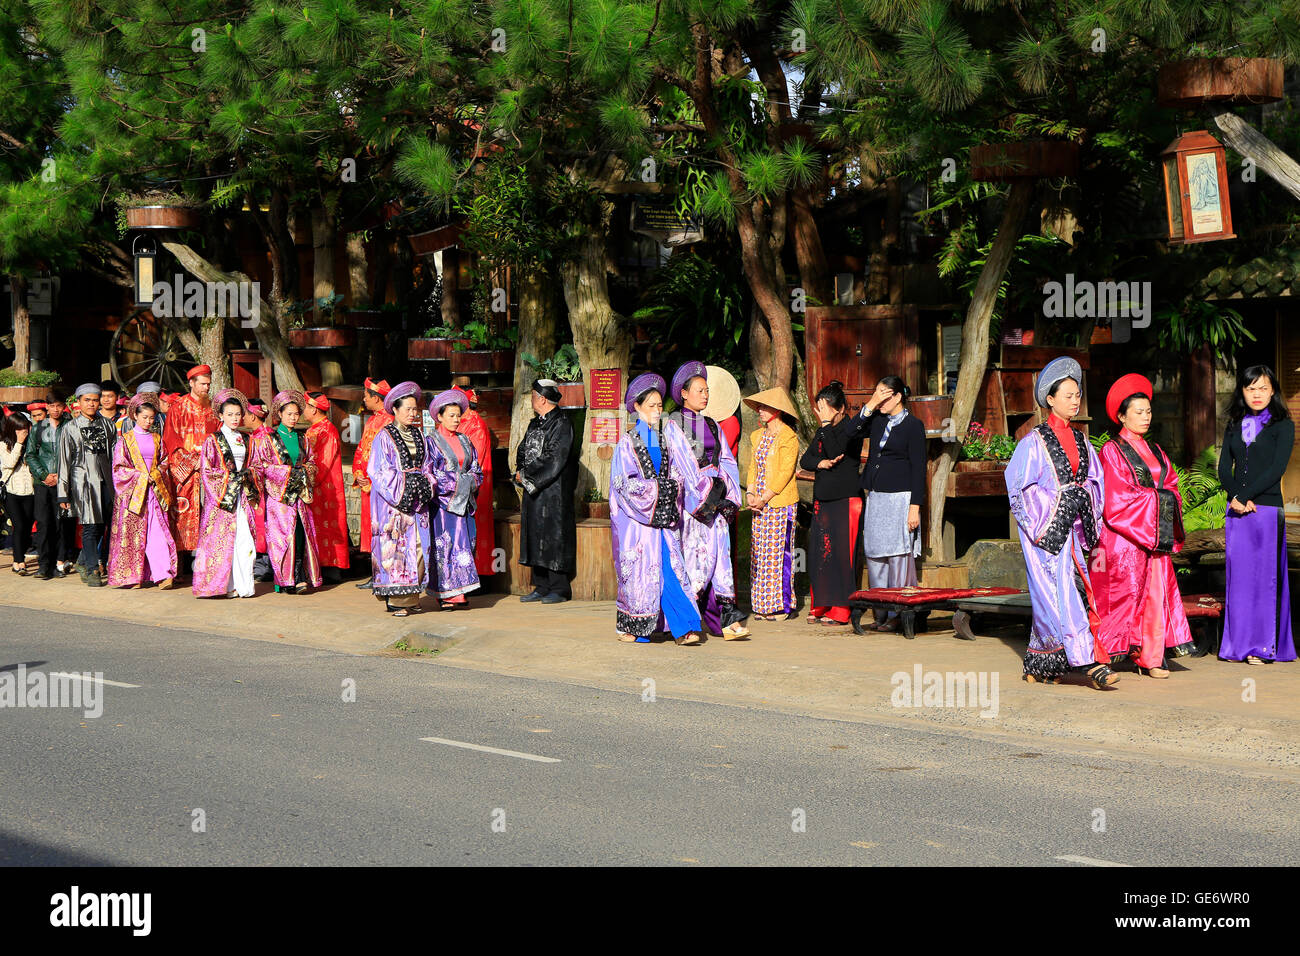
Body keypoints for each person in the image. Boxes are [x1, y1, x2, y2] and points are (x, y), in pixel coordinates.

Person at [1006, 357, 1118, 689]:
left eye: (1077, 394)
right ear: (1050, 399)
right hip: (1046, 534)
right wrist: (1059, 503)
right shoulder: (1033, 442)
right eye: (1068, 395)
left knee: (1074, 593)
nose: (1075, 400)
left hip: (1075, 530)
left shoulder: (1083, 441)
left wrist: (1083, 498)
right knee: (1059, 596)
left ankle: (1043, 661)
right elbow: (1020, 489)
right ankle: (1090, 662)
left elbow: (1096, 481)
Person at [1092, 375, 1193, 678]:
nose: (1145, 416)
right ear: (1121, 416)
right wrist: (1160, 501)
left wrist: (1164, 499)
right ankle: (1107, 651)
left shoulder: (1157, 450)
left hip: (1153, 536)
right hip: (1124, 539)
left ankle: (1152, 655)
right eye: (1138, 411)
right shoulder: (1112, 450)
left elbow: (1172, 484)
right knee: (1123, 597)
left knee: (1155, 595)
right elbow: (1117, 499)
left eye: (1148, 411)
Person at [610, 373, 707, 644]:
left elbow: (677, 474)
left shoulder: (665, 440)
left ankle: (683, 627)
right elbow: (623, 486)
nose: (656, 411)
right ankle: (640, 625)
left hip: (662, 521)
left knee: (670, 571)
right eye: (650, 405)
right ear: (637, 407)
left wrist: (670, 487)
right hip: (638, 525)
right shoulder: (626, 444)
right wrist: (660, 490)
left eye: (659, 406)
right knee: (643, 573)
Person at [1218, 364, 1296, 665]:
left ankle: (1264, 647)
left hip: (1265, 509)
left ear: (1273, 390)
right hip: (1237, 511)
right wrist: (1237, 497)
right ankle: (1237, 645)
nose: (1257, 394)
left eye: (1263, 388)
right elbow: (1225, 467)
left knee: (1265, 581)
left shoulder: (1282, 425)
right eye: (1251, 388)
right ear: (1243, 391)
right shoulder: (1234, 424)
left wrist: (1247, 496)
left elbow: (1277, 469)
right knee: (1239, 581)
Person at [667, 361, 748, 639]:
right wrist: (706, 494)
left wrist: (727, 494)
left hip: (716, 498)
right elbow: (680, 466)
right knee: (693, 562)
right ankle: (686, 622)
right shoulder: (673, 424)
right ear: (684, 394)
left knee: (719, 562)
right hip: (692, 506)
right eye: (700, 390)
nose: (705, 395)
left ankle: (725, 621)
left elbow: (726, 460)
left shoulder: (712, 425)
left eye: (707, 390)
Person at [856, 376, 926, 631]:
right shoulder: (876, 421)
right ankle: (880, 613)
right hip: (876, 496)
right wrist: (871, 405)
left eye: (884, 395)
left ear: (897, 396)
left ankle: (899, 615)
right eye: (877, 394)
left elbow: (919, 469)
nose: (880, 399)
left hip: (900, 498)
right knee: (875, 553)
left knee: (898, 555)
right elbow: (852, 430)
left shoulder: (913, 426)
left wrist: (914, 507)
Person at [801, 381, 866, 627]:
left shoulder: (851, 428)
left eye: (825, 409)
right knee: (821, 554)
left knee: (841, 555)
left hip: (845, 499)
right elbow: (807, 459)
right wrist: (822, 463)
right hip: (823, 500)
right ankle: (821, 604)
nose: (821, 414)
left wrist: (826, 426)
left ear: (839, 409)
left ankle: (841, 608)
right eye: (818, 409)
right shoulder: (822, 430)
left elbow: (837, 448)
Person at [369, 381, 436, 616]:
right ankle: (398, 600)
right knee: (396, 550)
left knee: (418, 546)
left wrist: (426, 481)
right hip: (394, 505)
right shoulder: (384, 436)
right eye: (407, 408)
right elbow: (378, 470)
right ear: (395, 410)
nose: (412, 413)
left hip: (417, 500)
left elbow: (428, 465)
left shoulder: (419, 435)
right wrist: (404, 485)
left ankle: (412, 596)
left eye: (415, 409)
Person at [252, 390, 322, 595]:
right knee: (282, 537)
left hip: (299, 495)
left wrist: (304, 472)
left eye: (296, 414)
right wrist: (289, 472)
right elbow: (261, 466)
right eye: (288, 413)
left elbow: (312, 463)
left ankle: (299, 577)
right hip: (280, 497)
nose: (293, 417)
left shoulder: (303, 438)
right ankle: (284, 580)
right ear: (279, 414)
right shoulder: (269, 438)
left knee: (300, 535)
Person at [513, 379, 577, 603]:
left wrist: (528, 474)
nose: (531, 399)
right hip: (534, 489)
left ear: (541, 398)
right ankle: (540, 585)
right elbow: (522, 449)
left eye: (533, 395)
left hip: (554, 491)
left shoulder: (562, 423)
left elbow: (554, 458)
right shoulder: (535, 423)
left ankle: (559, 588)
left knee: (553, 535)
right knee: (534, 534)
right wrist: (520, 471)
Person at [192, 390, 259, 598]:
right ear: (221, 415)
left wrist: (248, 476)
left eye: (238, 414)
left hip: (242, 497)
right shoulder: (213, 440)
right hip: (222, 499)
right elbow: (207, 471)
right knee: (221, 542)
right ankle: (221, 586)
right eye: (230, 414)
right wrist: (229, 480)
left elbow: (256, 465)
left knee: (244, 540)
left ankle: (243, 585)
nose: (234, 419)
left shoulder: (247, 439)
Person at [106, 395, 177, 589]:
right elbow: (119, 469)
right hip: (133, 496)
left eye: (152, 418)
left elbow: (164, 462)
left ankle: (163, 575)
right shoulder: (125, 440)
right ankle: (131, 577)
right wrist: (142, 476)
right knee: (132, 535)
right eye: (144, 417)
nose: (148, 421)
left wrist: (156, 473)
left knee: (157, 532)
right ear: (135, 416)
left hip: (153, 492)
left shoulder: (157, 438)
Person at [744, 386, 800, 621]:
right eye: (759, 407)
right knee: (760, 553)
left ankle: (781, 605)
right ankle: (760, 604)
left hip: (779, 502)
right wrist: (750, 494)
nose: (760, 411)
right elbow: (753, 467)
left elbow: (785, 472)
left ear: (778, 410)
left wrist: (764, 497)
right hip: (759, 503)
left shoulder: (788, 436)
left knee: (779, 554)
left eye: (765, 407)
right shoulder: (757, 436)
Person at [428, 389, 483, 607]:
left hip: (464, 503)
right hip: (442, 506)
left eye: (458, 415)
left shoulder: (465, 440)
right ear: (439, 417)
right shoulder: (431, 441)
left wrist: (467, 482)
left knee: (465, 545)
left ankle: (461, 590)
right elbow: (430, 472)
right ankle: (445, 594)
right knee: (445, 547)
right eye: (451, 415)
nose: (456, 419)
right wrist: (460, 482)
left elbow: (476, 470)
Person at [58, 383, 117, 587]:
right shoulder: (70, 428)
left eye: (95, 400)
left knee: (104, 526)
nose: (92, 404)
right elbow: (64, 461)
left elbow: (115, 456)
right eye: (87, 400)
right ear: (78, 402)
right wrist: (63, 493)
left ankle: (83, 561)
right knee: (91, 527)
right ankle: (93, 569)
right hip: (83, 483)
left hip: (106, 482)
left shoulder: (108, 425)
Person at [162, 364, 219, 568]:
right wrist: (192, 461)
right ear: (191, 383)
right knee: (181, 517)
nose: (206, 388)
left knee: (209, 517)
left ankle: (206, 564)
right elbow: (170, 440)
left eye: (208, 384)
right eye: (202, 384)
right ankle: (178, 568)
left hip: (209, 471)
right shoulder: (178, 408)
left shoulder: (214, 408)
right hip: (185, 474)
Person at [303, 391, 350, 582]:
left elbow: (323, 461)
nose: (303, 411)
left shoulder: (327, 430)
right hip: (317, 485)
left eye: (306, 406)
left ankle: (332, 566)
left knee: (329, 526)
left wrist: (309, 479)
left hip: (326, 487)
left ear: (314, 409)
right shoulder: (314, 429)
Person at [351, 378, 393, 590]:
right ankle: (376, 572)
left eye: (366, 397)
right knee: (372, 529)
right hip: (368, 483)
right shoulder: (371, 420)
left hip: (380, 486)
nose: (364, 400)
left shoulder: (389, 422)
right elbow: (360, 450)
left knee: (382, 527)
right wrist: (358, 472)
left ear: (376, 398)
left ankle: (383, 573)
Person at [28, 391, 74, 578]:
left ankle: (59, 562)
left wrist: (62, 476)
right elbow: (30, 455)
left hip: (63, 483)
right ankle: (43, 565)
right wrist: (44, 474)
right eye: (52, 406)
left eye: (59, 405)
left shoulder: (70, 427)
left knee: (61, 524)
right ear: (46, 407)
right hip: (42, 483)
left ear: (64, 407)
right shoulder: (38, 428)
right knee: (43, 523)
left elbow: (76, 455)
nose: (55, 409)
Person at [453, 382, 496, 578]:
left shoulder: (476, 424)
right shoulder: (460, 422)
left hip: (473, 487)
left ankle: (478, 574)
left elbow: (472, 459)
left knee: (476, 528)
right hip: (458, 485)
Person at [1, 411, 34, 575]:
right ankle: (18, 561)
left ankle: (20, 556)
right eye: (19, 429)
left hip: (30, 491)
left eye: (25, 428)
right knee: (19, 525)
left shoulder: (32, 443)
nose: (24, 431)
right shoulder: (3, 445)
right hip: (12, 491)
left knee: (27, 527)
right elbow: (9, 463)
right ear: (12, 428)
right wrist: (19, 443)